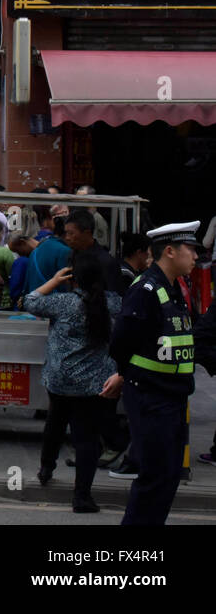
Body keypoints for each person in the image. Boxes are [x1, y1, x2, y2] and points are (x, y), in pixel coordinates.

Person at [107, 221, 199, 526]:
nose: (196, 256)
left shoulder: (173, 288)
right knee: (154, 476)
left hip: (171, 396)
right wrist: (125, 374)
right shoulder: (146, 289)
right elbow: (121, 341)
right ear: (170, 251)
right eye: (191, 250)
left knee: (169, 476)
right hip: (150, 396)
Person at [26, 252, 122, 513]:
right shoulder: (112, 303)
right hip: (93, 385)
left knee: (54, 424)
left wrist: (55, 281)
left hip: (59, 380)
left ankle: (46, 468)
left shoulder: (63, 303)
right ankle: (82, 497)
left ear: (73, 278)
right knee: (87, 439)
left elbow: (30, 301)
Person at [64, 209, 126, 296]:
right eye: (66, 233)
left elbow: (115, 298)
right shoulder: (71, 256)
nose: (67, 238)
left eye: (71, 233)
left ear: (87, 233)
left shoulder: (106, 262)